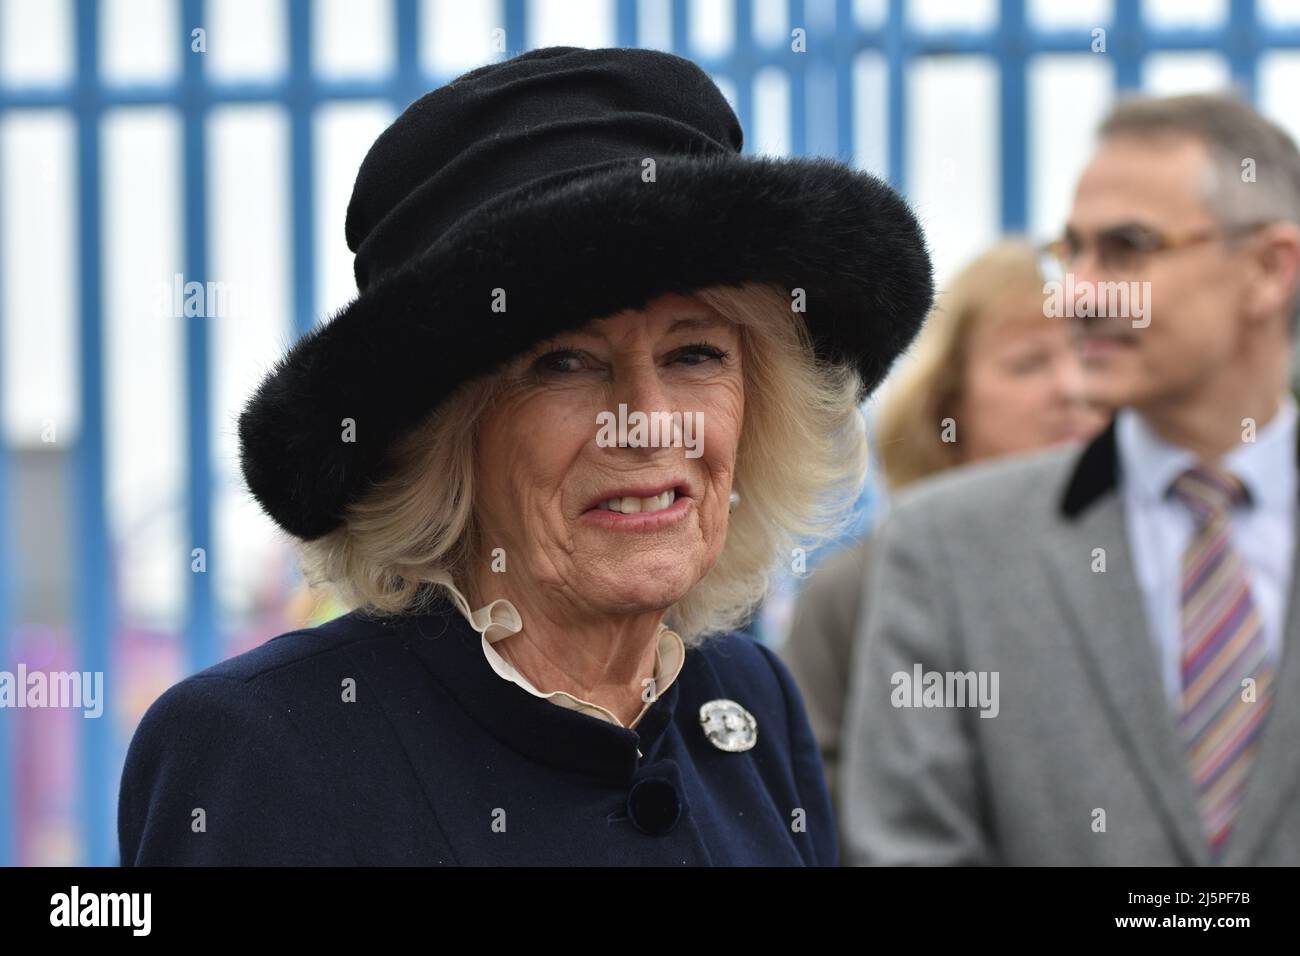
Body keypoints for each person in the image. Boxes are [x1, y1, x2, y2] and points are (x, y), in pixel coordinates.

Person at [115, 46, 934, 866]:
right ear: (444, 435)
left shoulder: (750, 703)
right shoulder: (266, 745)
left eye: (695, 355)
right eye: (565, 364)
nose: (648, 426)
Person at [842, 91, 1300, 865]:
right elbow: (909, 850)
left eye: (1127, 248)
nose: (1079, 294)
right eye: (1073, 252)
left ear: (1268, 269)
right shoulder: (949, 549)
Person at [780, 240, 1105, 842]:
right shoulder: (854, 591)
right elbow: (812, 809)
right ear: (948, 404)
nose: (1072, 389)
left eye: (1090, 356)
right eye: (1030, 363)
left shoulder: (1160, 566)